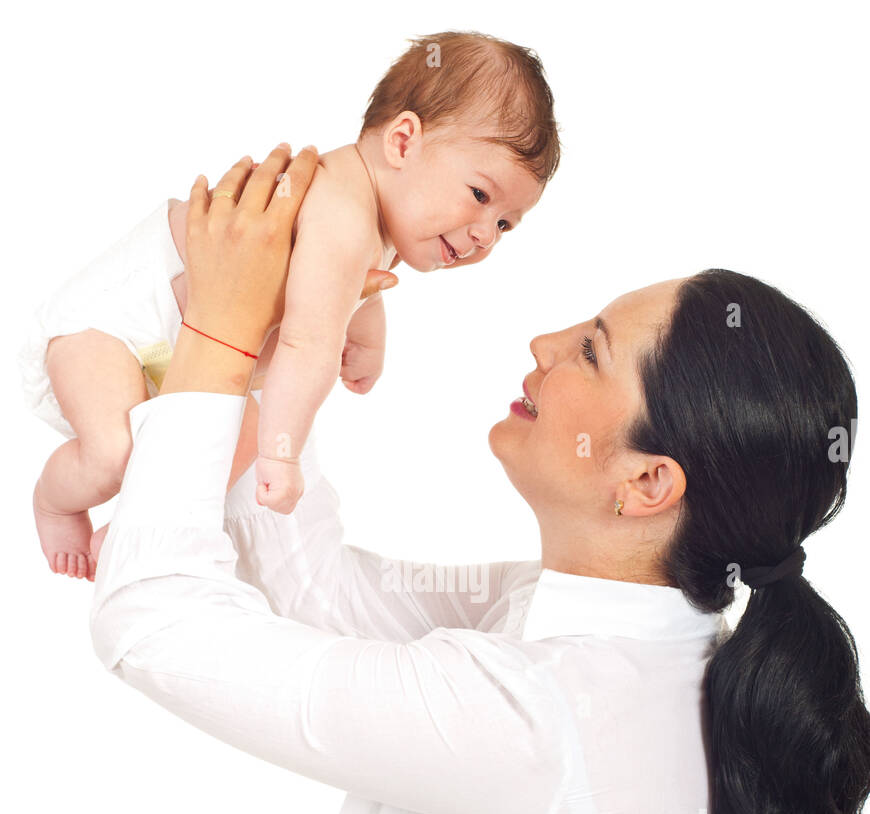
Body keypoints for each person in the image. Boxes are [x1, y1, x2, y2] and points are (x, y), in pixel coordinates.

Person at [89, 144, 870, 814]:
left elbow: (155, 622)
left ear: (648, 482)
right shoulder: (601, 635)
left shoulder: (550, 714)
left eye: (591, 350)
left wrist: (214, 344)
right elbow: (321, 588)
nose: (545, 344)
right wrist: (275, 339)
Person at [20, 31, 558, 578]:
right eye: (481, 196)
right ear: (402, 142)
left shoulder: (373, 220)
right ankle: (56, 502)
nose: (486, 235)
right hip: (115, 326)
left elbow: (351, 289)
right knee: (112, 453)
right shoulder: (344, 215)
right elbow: (306, 343)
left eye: (505, 224)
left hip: (185, 353)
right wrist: (285, 453)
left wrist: (367, 336)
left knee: (238, 437)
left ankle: (136, 522)